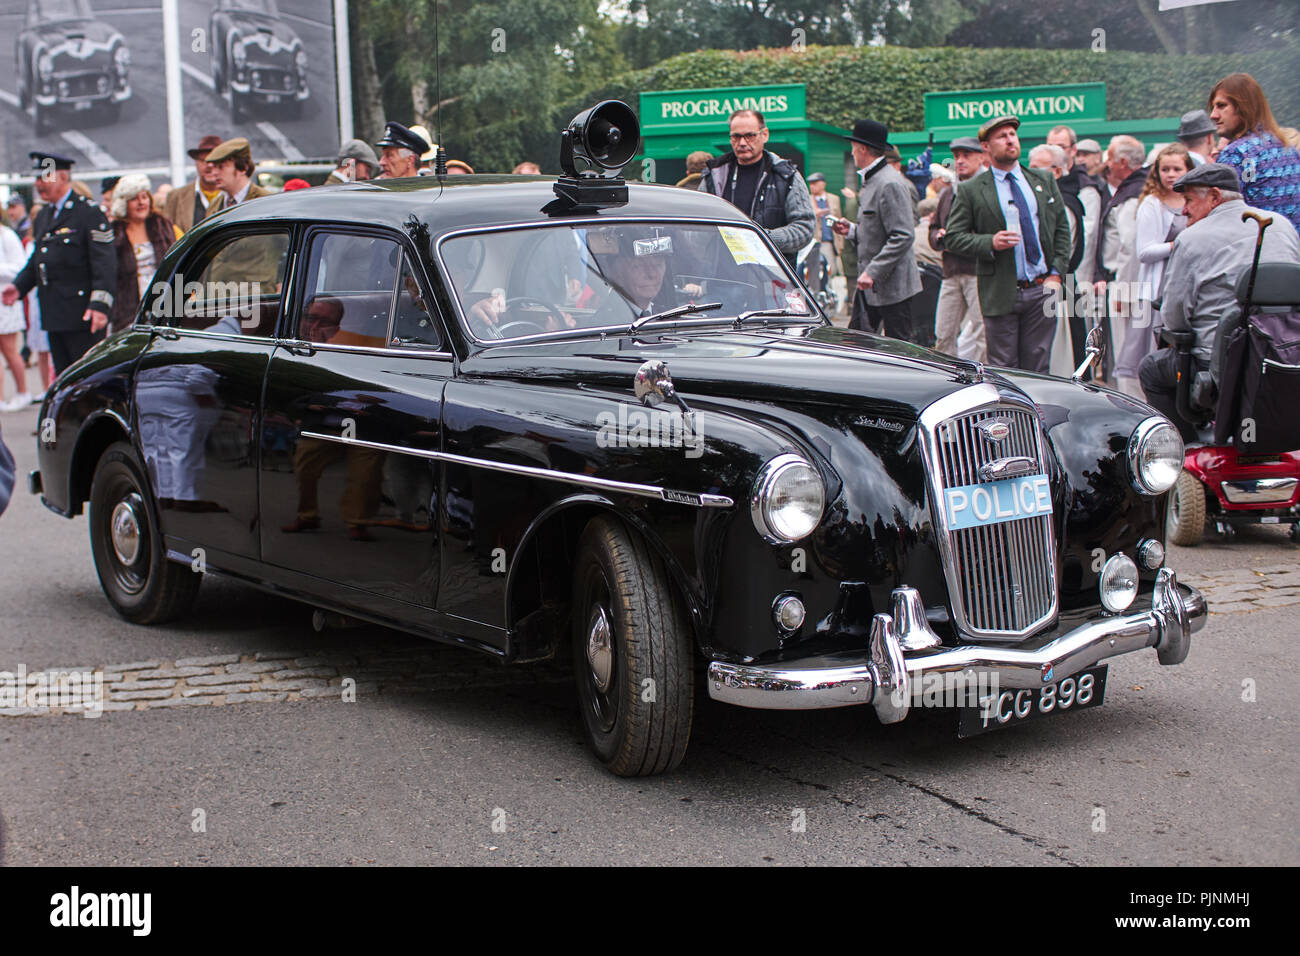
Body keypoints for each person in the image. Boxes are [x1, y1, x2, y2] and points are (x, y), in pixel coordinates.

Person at [1138, 163, 1300, 440]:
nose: (1184, 210)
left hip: (1217, 363)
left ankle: (1184, 452)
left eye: (1188, 200)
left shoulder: (1191, 239)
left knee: (1151, 369)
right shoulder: (1282, 225)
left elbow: (1175, 318)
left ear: (1214, 196)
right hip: (1285, 355)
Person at [942, 115, 1071, 373]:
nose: (1010, 140)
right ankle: (1012, 415)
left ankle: (1038, 414)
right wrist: (990, 242)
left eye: (1012, 134)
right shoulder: (972, 190)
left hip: (1040, 289)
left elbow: (1062, 230)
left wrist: (1056, 273)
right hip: (1000, 290)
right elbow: (953, 237)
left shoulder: (1042, 181)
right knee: (1004, 370)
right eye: (1002, 136)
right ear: (986, 148)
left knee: (1039, 368)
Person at [1, 152, 116, 375]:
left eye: (44, 177)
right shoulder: (45, 215)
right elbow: (38, 259)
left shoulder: (88, 213)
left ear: (63, 178)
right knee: (64, 379)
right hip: (54, 314)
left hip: (83, 315)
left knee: (87, 379)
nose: (38, 184)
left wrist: (100, 306)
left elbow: (105, 262)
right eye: (37, 178)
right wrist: (18, 287)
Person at [831, 118, 923, 341]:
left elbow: (903, 235)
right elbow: (879, 230)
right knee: (857, 344)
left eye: (853, 149)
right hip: (873, 288)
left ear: (862, 149)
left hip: (893, 288)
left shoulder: (889, 182)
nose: (852, 154)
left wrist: (873, 271)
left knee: (900, 354)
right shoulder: (873, 180)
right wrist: (852, 230)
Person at [699, 109, 815, 267]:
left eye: (749, 135)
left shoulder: (786, 176)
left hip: (773, 279)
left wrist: (763, 238)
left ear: (764, 135)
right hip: (722, 277)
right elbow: (696, 227)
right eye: (736, 136)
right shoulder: (714, 175)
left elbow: (805, 228)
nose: (742, 142)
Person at [1208, 72, 1300, 231]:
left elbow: (1215, 215)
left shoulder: (1236, 153)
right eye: (1213, 107)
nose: (1213, 115)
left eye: (1221, 106)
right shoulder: (1288, 148)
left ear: (1244, 108)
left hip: (1257, 252)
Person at [929, 136, 987, 362]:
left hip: (978, 271)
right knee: (943, 334)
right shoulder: (948, 193)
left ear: (980, 157)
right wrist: (939, 236)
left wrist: (954, 237)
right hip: (951, 271)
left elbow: (990, 232)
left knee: (983, 334)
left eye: (966, 156)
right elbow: (933, 228)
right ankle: (947, 382)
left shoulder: (987, 189)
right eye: (956, 157)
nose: (960, 161)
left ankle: (988, 384)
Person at [1130, 143, 1192, 353]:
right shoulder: (1152, 203)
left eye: (1177, 169)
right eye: (1165, 170)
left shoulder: (1193, 201)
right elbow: (1144, 252)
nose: (1171, 175)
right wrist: (1177, 245)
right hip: (1159, 285)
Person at [108, 174, 177, 334]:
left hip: (163, 302)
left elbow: (175, 261)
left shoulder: (162, 224)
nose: (141, 202)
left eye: (144, 197)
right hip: (127, 307)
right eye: (134, 199)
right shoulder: (114, 231)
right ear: (123, 203)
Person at [163, 134, 224, 234]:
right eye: (203, 160)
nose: (209, 166)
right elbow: (166, 236)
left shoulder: (233, 196)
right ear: (196, 162)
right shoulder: (175, 197)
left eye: (214, 160)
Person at [0, 219, 31, 411]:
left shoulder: (7, 236)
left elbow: (21, 267)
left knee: (9, 350)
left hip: (6, 300)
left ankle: (23, 391)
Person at [206, 137, 271, 211]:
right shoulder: (214, 206)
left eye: (221, 167)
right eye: (214, 167)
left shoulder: (266, 201)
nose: (214, 173)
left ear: (243, 168)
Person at [807, 172, 843, 296]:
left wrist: (840, 244)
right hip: (814, 242)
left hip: (829, 242)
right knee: (814, 273)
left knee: (830, 272)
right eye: (810, 184)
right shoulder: (807, 199)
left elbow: (839, 220)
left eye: (815, 183)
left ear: (823, 184)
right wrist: (814, 214)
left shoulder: (834, 199)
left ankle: (830, 299)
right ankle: (816, 299)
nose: (812, 186)